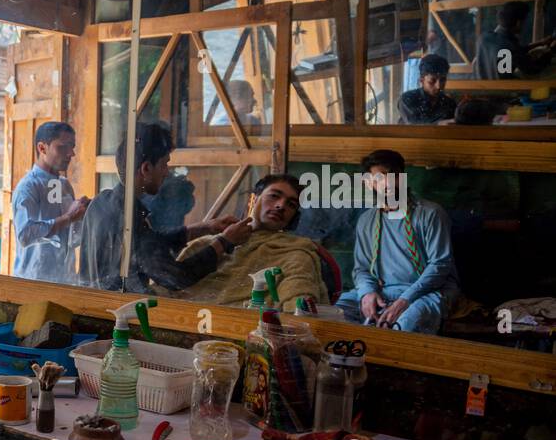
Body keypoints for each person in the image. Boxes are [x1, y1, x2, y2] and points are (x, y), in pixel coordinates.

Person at [80, 121, 252, 292]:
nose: (166, 172)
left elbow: (151, 245)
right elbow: (177, 277)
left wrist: (205, 227)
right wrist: (225, 241)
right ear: (146, 168)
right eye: (164, 164)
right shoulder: (129, 219)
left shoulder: (101, 202)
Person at [336, 149, 459, 334]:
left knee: (409, 321)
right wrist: (367, 293)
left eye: (393, 175)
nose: (388, 183)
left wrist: (405, 300)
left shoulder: (430, 213)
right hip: (383, 292)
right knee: (338, 311)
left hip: (428, 292)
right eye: (379, 178)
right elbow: (361, 268)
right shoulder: (367, 220)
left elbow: (440, 265)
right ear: (368, 183)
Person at [172, 174, 330, 308]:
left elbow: (298, 308)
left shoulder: (295, 254)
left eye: (291, 204)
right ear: (253, 200)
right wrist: (223, 242)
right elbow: (168, 289)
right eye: (274, 196)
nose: (281, 205)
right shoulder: (204, 244)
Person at [11, 121, 90, 284]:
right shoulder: (28, 187)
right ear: (42, 148)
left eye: (72, 146)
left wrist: (83, 215)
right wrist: (68, 217)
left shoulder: (64, 185)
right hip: (34, 283)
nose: (71, 154)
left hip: (65, 280)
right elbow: (25, 235)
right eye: (63, 147)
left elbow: (70, 238)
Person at [473, 0, 554, 79]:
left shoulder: (483, 38)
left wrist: (540, 43)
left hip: (483, 91)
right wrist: (551, 51)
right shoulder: (510, 47)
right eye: (524, 22)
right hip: (506, 91)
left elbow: (515, 51)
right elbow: (532, 68)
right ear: (518, 23)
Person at [397, 53, 456, 124]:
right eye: (432, 81)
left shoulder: (450, 104)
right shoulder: (407, 99)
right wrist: (439, 124)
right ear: (421, 80)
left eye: (443, 80)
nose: (438, 86)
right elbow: (414, 125)